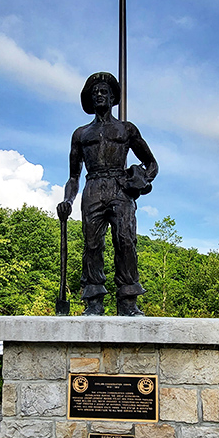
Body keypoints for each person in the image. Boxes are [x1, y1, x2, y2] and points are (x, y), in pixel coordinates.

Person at [57, 72, 158, 316]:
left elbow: (151, 163)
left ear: (113, 97)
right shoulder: (80, 135)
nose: (99, 95)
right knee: (92, 244)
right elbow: (73, 177)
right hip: (93, 187)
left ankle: (128, 301)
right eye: (95, 93)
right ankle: (94, 301)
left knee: (125, 240)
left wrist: (140, 180)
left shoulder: (126, 129)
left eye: (104, 91)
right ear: (90, 101)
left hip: (119, 187)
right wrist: (67, 200)